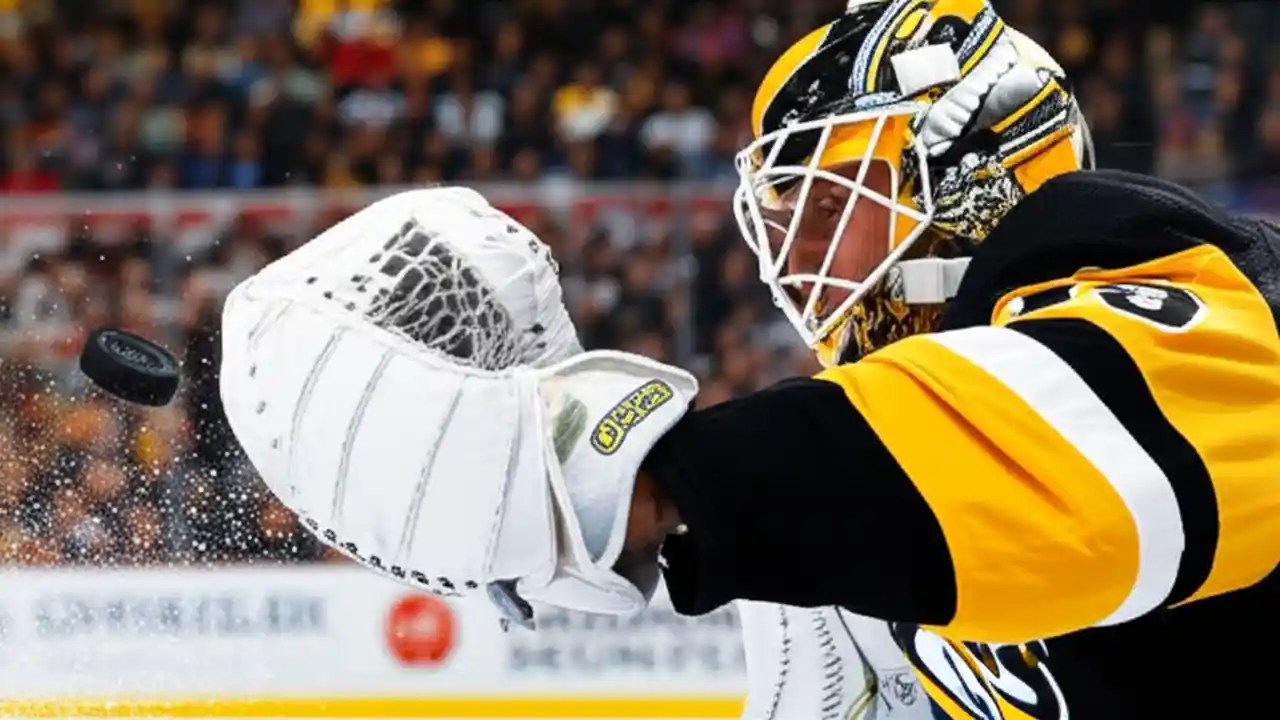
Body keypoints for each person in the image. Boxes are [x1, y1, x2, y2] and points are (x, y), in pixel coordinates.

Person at [219, 1, 1280, 718]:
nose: (796, 255)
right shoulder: (885, 524)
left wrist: (658, 487)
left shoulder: (1214, 312)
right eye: (781, 216)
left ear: (966, 180)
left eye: (828, 202)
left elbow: (1057, 463)